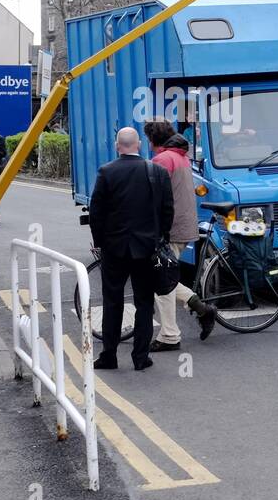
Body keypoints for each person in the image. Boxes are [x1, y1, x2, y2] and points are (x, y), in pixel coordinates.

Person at [88, 127, 173, 371]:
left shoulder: (106, 172)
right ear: (139, 145)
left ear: (117, 146)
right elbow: (168, 210)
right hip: (147, 248)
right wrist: (161, 238)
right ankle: (140, 357)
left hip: (115, 249)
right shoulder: (157, 172)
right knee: (144, 302)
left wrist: (99, 241)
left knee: (112, 301)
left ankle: (109, 355)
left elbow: (97, 213)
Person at [144, 119, 217, 350]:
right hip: (184, 225)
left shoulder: (163, 159)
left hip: (171, 228)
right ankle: (201, 308)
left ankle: (170, 336)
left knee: (162, 284)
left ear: (153, 139)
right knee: (164, 278)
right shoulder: (180, 156)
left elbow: (152, 195)